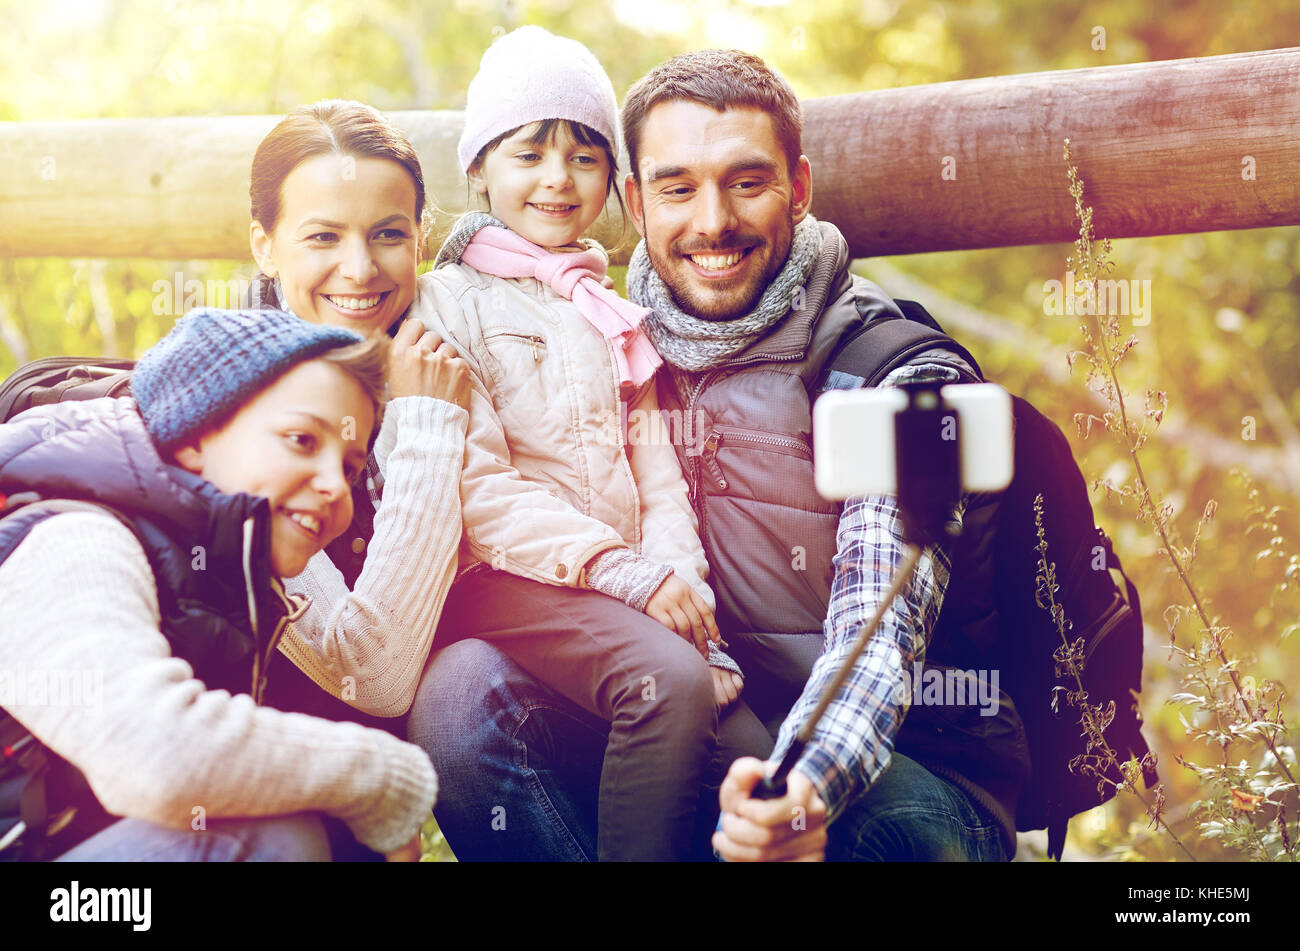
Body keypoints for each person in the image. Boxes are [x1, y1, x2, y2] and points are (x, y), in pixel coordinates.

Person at [417, 48, 1029, 862]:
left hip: (890, 762)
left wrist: (800, 787)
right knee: (463, 700)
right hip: (697, 716)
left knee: (891, 839)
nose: (711, 222)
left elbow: (878, 636)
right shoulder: (609, 335)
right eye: (677, 187)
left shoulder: (890, 372)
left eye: (746, 182)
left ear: (799, 189)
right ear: (634, 203)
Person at [404, 26, 771, 861]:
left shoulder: (604, 308)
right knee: (666, 685)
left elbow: (659, 476)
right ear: (480, 169)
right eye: (528, 153)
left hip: (619, 592)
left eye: (583, 156)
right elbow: (477, 487)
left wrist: (688, 609)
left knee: (750, 754)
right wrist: (616, 570)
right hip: (507, 580)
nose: (556, 179)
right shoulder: (448, 303)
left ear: (613, 180)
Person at [0, 309, 436, 861]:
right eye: (302, 439)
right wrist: (383, 776)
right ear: (195, 436)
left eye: (350, 468)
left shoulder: (218, 577)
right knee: (268, 839)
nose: (334, 486)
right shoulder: (77, 540)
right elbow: (153, 757)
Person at [242, 100, 471, 733]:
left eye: (388, 234)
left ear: (421, 235)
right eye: (323, 236)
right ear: (265, 246)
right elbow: (373, 675)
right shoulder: (236, 412)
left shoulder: (442, 347)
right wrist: (428, 423)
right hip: (263, 778)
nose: (360, 269)